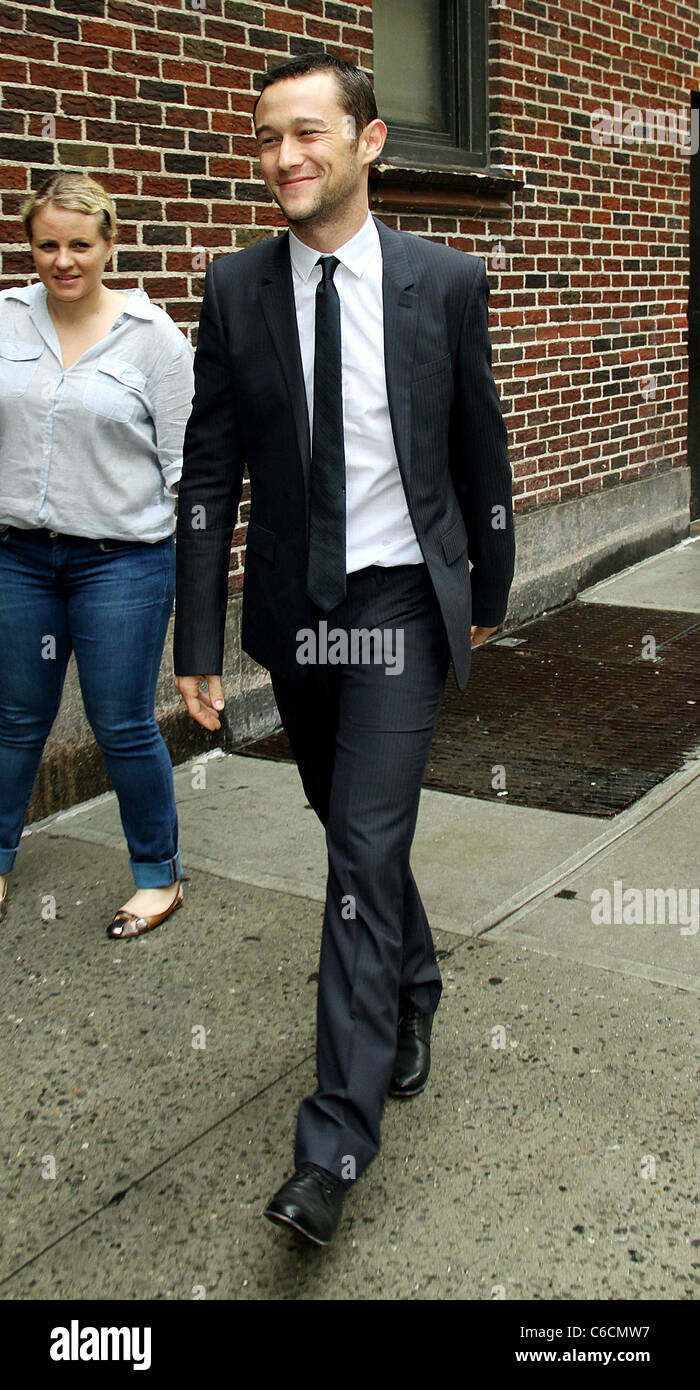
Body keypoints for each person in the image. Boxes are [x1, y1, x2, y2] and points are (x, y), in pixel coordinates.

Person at [174, 54, 516, 1246]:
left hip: (397, 610)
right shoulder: (234, 287)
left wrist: (490, 582)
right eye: (267, 137)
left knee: (363, 850)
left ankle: (331, 1147)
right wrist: (198, 635)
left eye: (308, 133)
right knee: (351, 830)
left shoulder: (444, 279)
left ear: (370, 142)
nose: (283, 157)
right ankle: (414, 985)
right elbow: (209, 469)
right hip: (295, 610)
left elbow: (480, 441)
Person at [0, 172, 194, 938]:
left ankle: (158, 875)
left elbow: (188, 467)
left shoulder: (153, 339)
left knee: (121, 724)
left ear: (110, 243)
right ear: (31, 245)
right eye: (47, 244)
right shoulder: (6, 319)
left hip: (122, 562)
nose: (63, 260)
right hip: (18, 557)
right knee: (15, 720)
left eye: (80, 244)